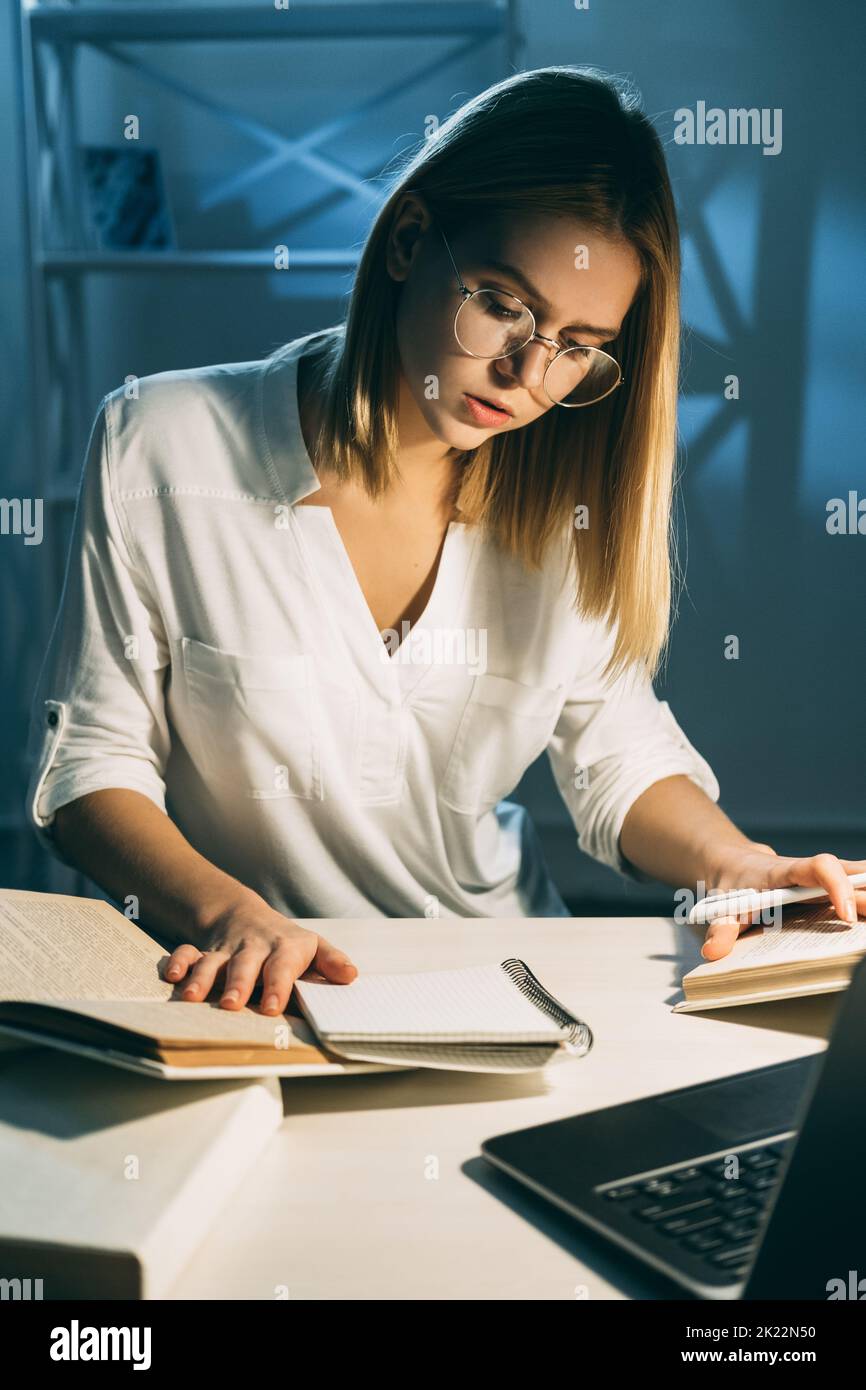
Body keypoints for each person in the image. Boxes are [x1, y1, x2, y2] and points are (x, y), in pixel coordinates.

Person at [24, 66, 864, 1020]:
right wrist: (226, 913)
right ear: (410, 240)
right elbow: (89, 766)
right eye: (504, 304)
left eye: (578, 344)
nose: (526, 373)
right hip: (254, 995)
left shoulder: (565, 501)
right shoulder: (161, 439)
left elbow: (619, 754)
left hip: (512, 983)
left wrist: (741, 867)